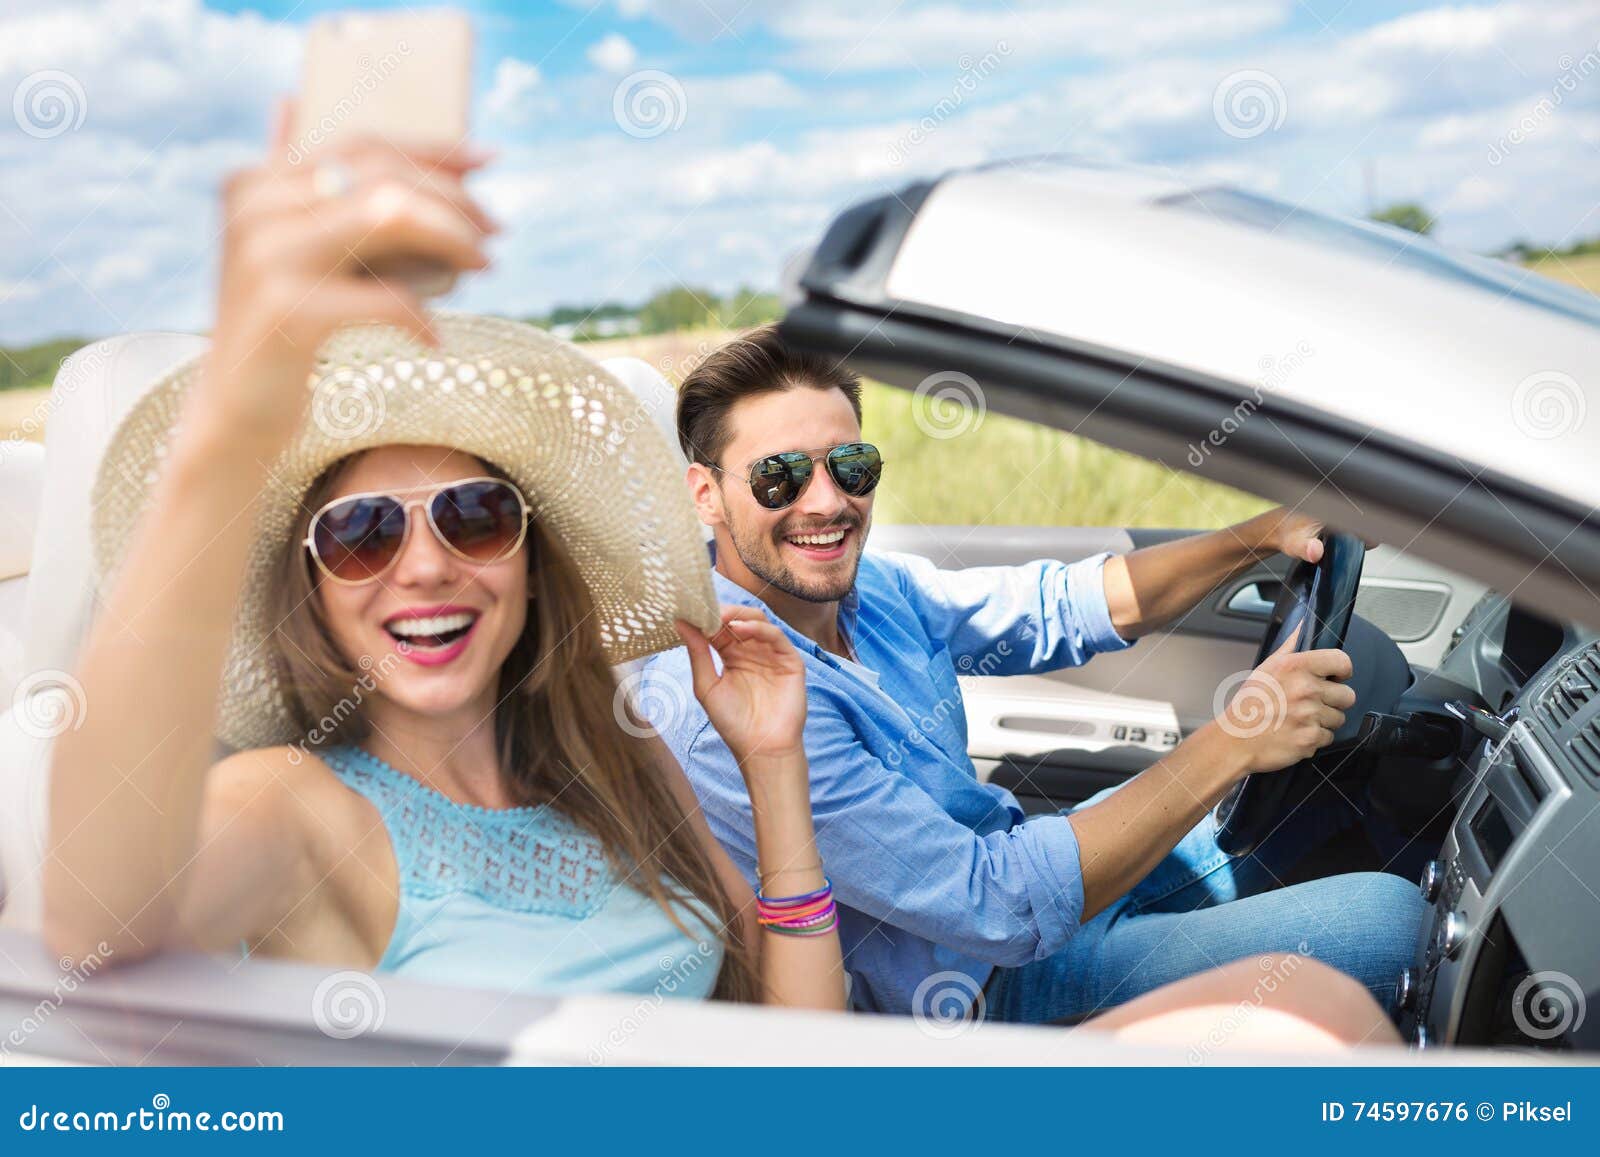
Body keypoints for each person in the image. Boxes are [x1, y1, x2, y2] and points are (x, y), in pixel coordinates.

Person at [42, 120, 843, 1009]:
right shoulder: (294, 809)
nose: (424, 567)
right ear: (312, 583)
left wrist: (773, 764)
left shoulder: (619, 759)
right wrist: (231, 431)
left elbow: (796, 1050)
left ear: (533, 566)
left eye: (476, 518)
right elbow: (95, 925)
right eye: (363, 534)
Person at [641, 324, 1427, 1024]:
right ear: (706, 494)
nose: (828, 501)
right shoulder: (733, 698)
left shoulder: (868, 588)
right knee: (1395, 922)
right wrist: (1233, 740)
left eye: (850, 464)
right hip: (983, 989)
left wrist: (1257, 537)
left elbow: (1058, 607)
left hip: (1027, 877)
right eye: (779, 477)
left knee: (1337, 803)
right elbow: (998, 904)